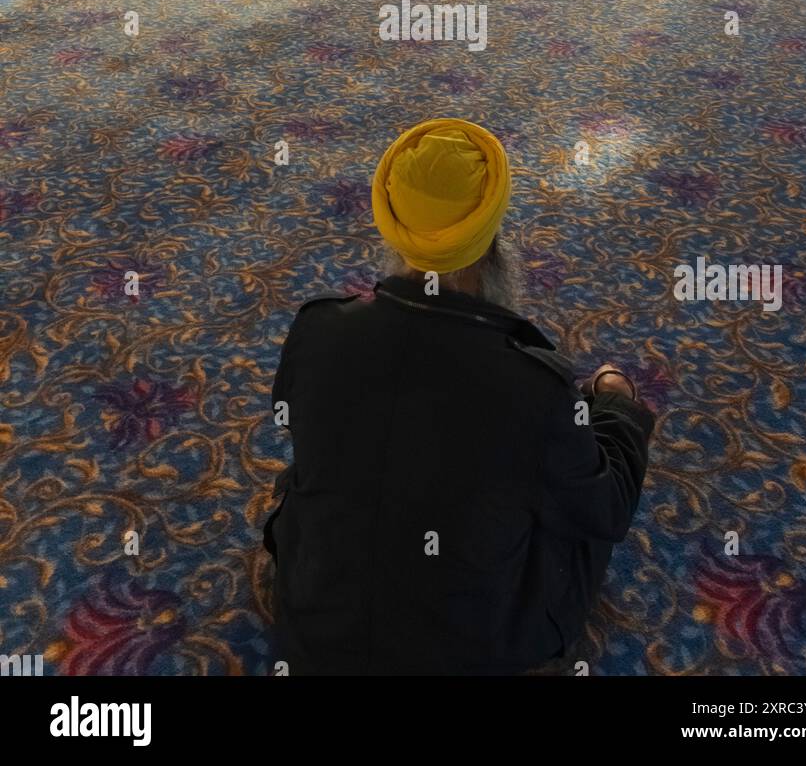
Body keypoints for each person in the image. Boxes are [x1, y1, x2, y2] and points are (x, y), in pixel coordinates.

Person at [266, 117, 654, 676]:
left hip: (313, 633)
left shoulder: (318, 329)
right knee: (574, 523)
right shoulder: (532, 384)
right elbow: (605, 511)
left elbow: (309, 436)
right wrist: (617, 407)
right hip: (474, 653)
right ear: (493, 236)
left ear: (391, 219)